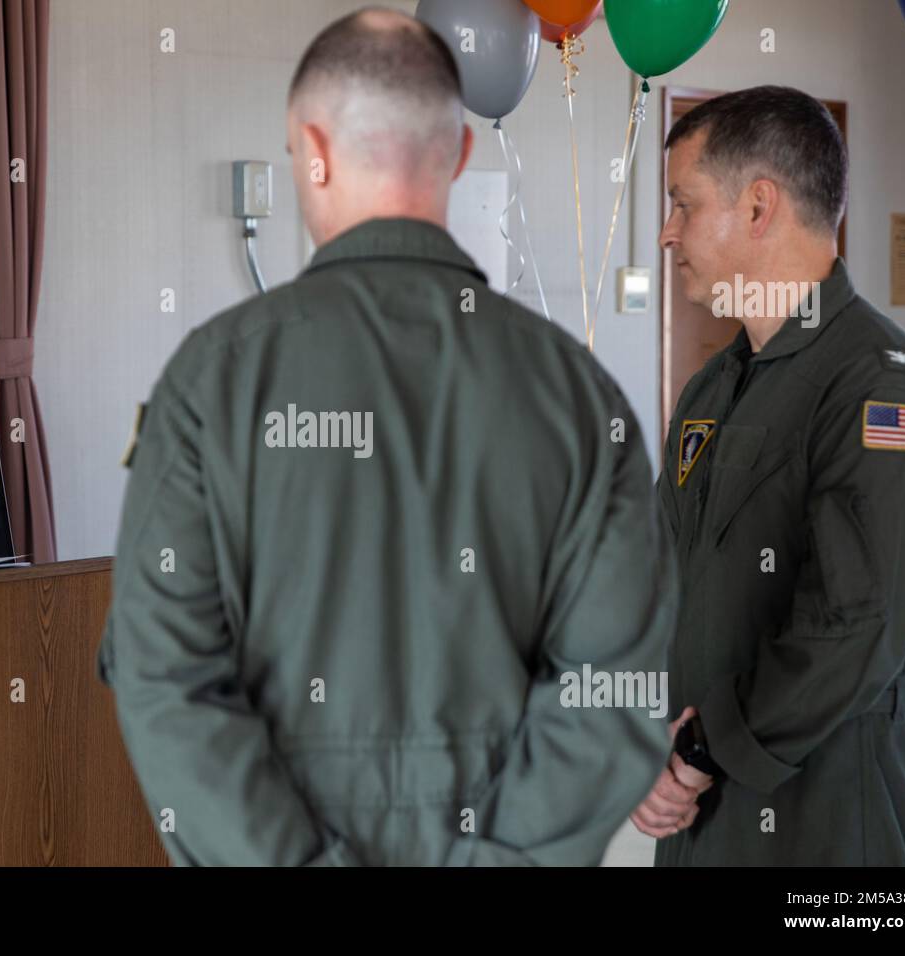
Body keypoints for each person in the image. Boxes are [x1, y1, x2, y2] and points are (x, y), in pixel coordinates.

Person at [98, 7, 675, 866]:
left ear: (311, 148)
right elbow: (616, 691)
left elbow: (161, 677)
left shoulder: (210, 381)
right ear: (461, 154)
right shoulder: (580, 396)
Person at [632, 85, 905, 865]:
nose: (666, 232)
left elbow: (860, 622)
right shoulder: (714, 387)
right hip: (706, 818)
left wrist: (705, 749)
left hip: (833, 829)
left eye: (683, 203)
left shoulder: (883, 388)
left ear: (758, 208)